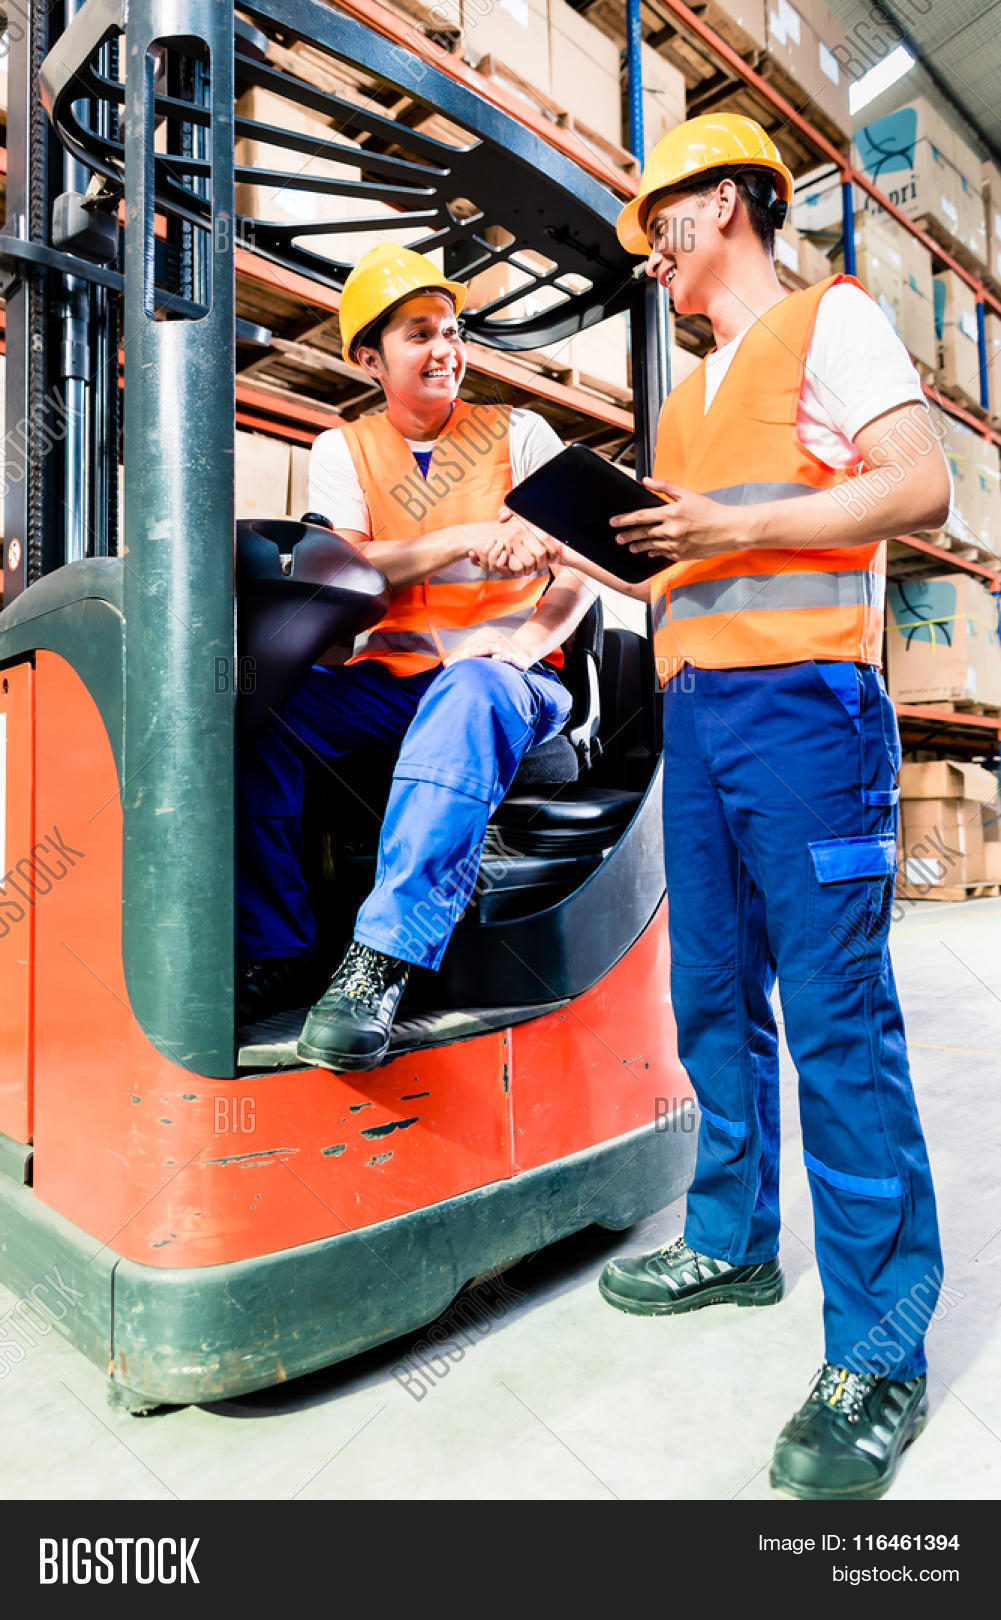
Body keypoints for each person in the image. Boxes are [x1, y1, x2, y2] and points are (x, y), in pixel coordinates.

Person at [543, 114, 951, 1501]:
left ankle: (881, 1350)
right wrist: (610, 559)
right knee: (711, 995)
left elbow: (920, 484)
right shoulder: (691, 395)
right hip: (703, 718)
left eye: (656, 223)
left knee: (838, 1019)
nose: (648, 257)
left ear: (722, 204)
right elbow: (694, 564)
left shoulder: (831, 322)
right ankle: (728, 1235)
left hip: (809, 720)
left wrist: (726, 529)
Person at [236, 243, 592, 1071]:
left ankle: (380, 962)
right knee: (256, 710)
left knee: (470, 686)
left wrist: (526, 644)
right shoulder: (343, 451)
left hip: (510, 679)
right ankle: (277, 944)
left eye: (453, 330)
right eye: (420, 334)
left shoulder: (518, 433)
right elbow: (354, 569)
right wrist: (460, 537)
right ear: (370, 358)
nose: (446, 350)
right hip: (393, 682)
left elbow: (584, 577)